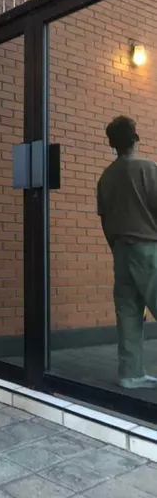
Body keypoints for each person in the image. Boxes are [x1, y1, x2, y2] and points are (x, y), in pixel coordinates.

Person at [97, 115, 157, 390]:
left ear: (112, 144)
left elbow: (105, 219)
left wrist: (117, 246)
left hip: (120, 251)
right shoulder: (148, 168)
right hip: (148, 249)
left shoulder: (106, 177)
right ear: (136, 138)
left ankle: (131, 374)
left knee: (128, 313)